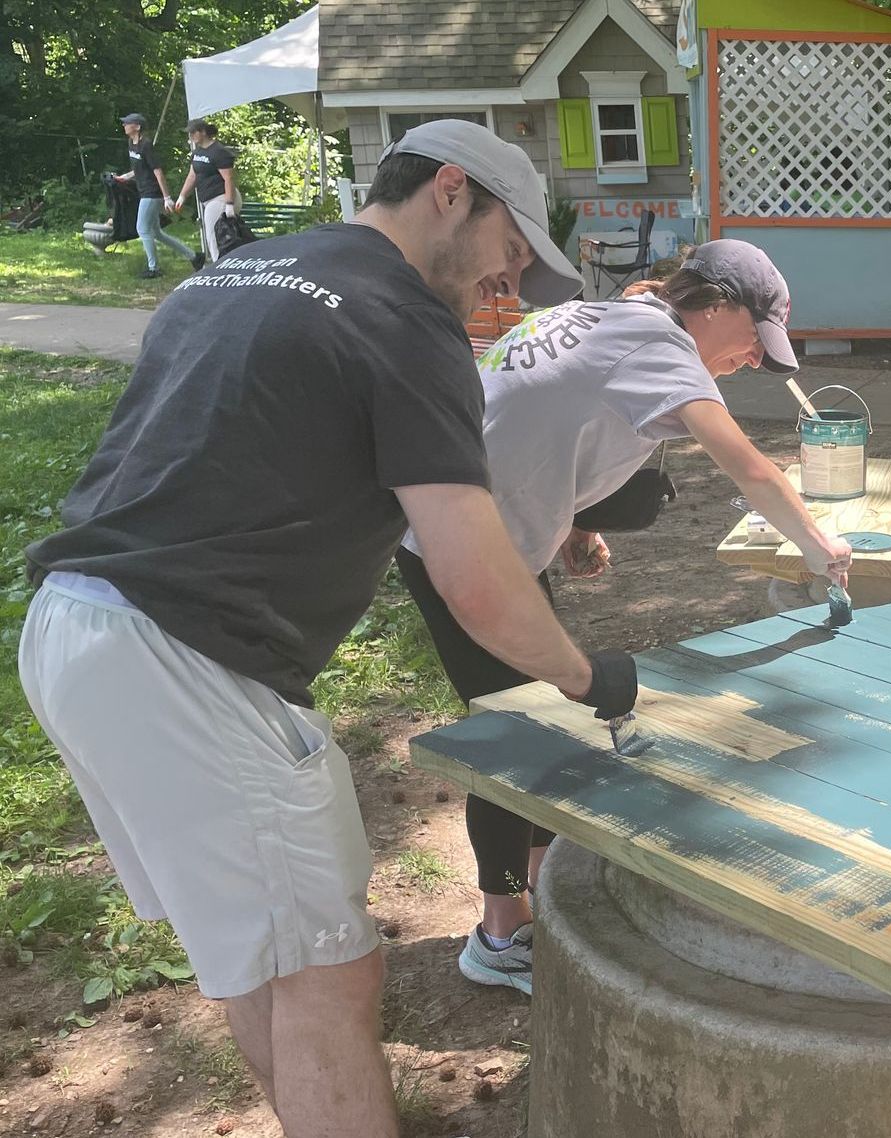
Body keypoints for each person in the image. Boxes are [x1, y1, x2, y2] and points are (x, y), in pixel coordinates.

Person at [17, 120, 624, 1138]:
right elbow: (473, 575)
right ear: (448, 192)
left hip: (72, 626)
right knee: (333, 971)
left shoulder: (244, 269)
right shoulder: (402, 316)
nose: (504, 285)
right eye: (509, 252)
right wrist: (584, 674)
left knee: (264, 960)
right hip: (189, 662)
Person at [395, 239, 855, 994]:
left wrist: (574, 523)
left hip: (482, 534)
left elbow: (544, 422)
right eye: (751, 340)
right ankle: (500, 934)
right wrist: (818, 546)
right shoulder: (658, 344)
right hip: (460, 547)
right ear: (713, 305)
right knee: (514, 731)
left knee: (538, 720)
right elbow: (749, 465)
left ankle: (542, 894)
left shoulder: (610, 315)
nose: (752, 360)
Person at [114, 112, 202, 278]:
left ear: (137, 127)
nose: (124, 125)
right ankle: (194, 256)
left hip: (152, 193)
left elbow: (158, 172)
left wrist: (167, 197)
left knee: (142, 229)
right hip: (144, 191)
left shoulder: (146, 145)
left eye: (128, 123)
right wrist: (125, 177)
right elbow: (140, 168)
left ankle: (153, 268)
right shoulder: (131, 144)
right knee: (157, 233)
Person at [173, 119, 238, 264]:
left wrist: (229, 204)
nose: (190, 136)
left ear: (203, 132)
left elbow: (228, 179)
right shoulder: (197, 152)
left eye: (193, 132)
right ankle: (226, 262)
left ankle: (218, 265)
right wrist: (182, 196)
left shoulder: (219, 152)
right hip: (208, 199)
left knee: (212, 235)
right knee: (217, 234)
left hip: (221, 197)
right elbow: (192, 175)